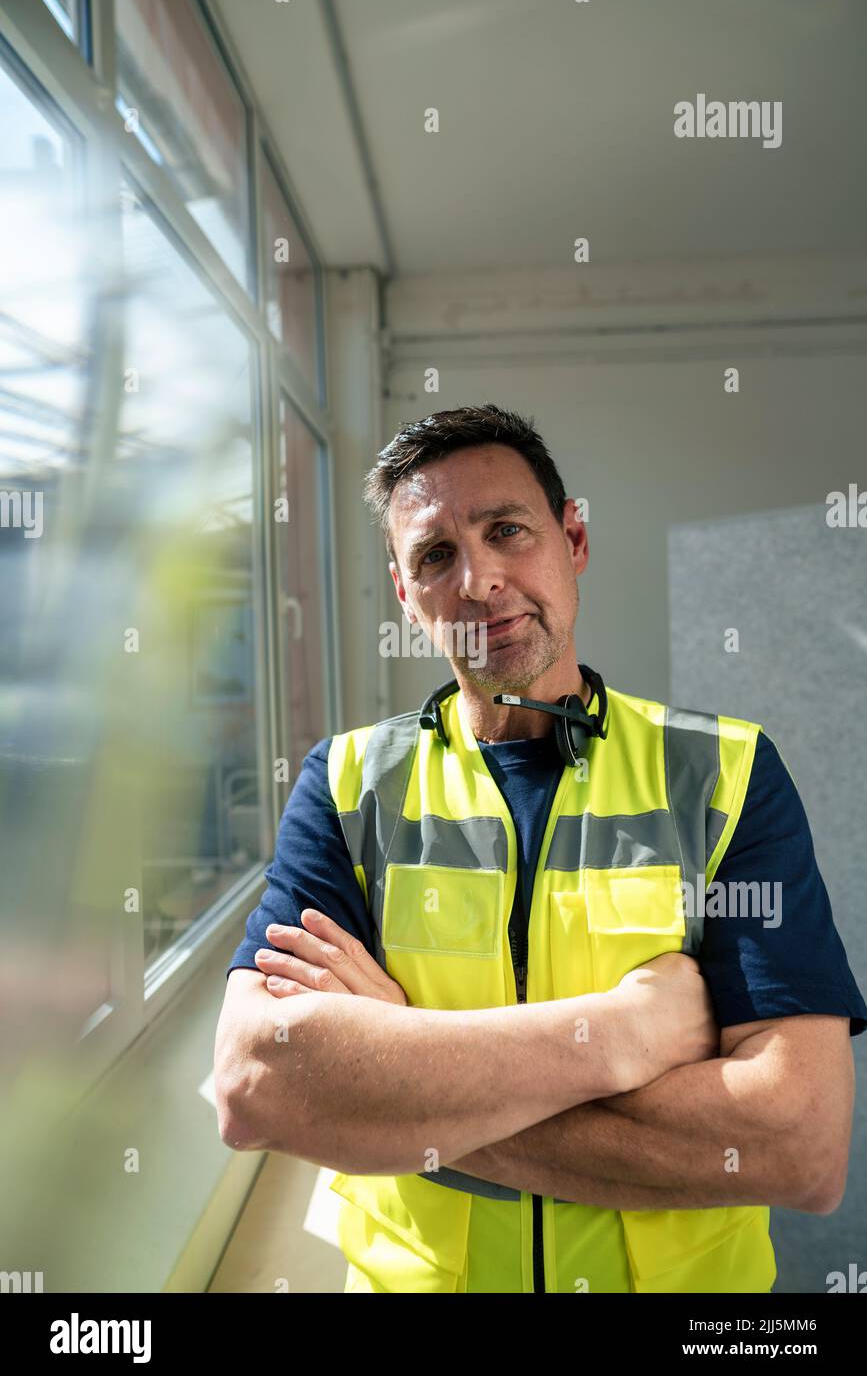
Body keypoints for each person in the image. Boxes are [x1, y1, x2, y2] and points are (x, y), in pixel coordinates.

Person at [214, 404, 866, 1293]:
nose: (478, 580)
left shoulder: (724, 773)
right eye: (435, 555)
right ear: (406, 598)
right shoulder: (348, 783)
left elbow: (797, 1146)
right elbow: (255, 1084)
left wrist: (395, 1072)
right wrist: (624, 1038)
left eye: (506, 531)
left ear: (573, 539)